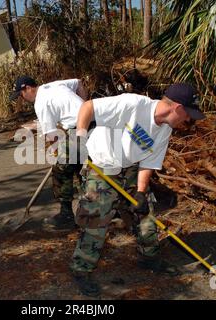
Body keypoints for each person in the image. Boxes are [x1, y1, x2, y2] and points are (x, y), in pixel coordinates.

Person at [70, 83, 206, 296]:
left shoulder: (165, 130)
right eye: (188, 115)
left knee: (145, 214)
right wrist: (79, 137)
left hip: (131, 167)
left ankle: (149, 258)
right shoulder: (132, 104)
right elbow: (88, 106)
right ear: (178, 108)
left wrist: (141, 193)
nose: (187, 121)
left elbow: (149, 162)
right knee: (97, 219)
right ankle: (81, 269)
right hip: (102, 164)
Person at [10, 76, 89, 229]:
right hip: (91, 123)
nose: (22, 98)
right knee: (81, 168)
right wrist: (85, 107)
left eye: (21, 94)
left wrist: (56, 153)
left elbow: (52, 135)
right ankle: (91, 208)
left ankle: (66, 214)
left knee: (60, 169)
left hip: (79, 131)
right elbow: (78, 82)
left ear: (27, 88)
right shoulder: (52, 85)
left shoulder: (41, 103)